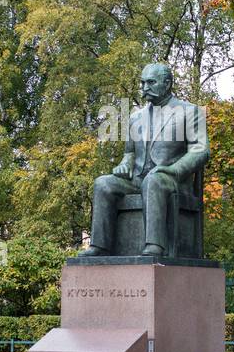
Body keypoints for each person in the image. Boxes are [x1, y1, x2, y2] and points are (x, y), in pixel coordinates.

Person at [79, 62, 209, 258]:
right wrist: (124, 165)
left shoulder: (190, 112)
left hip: (171, 179)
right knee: (103, 183)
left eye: (150, 82)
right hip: (138, 179)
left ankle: (155, 246)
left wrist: (173, 170)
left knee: (153, 180)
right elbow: (129, 153)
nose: (144, 88)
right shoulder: (135, 117)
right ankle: (101, 246)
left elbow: (200, 151)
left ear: (167, 84)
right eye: (142, 83)